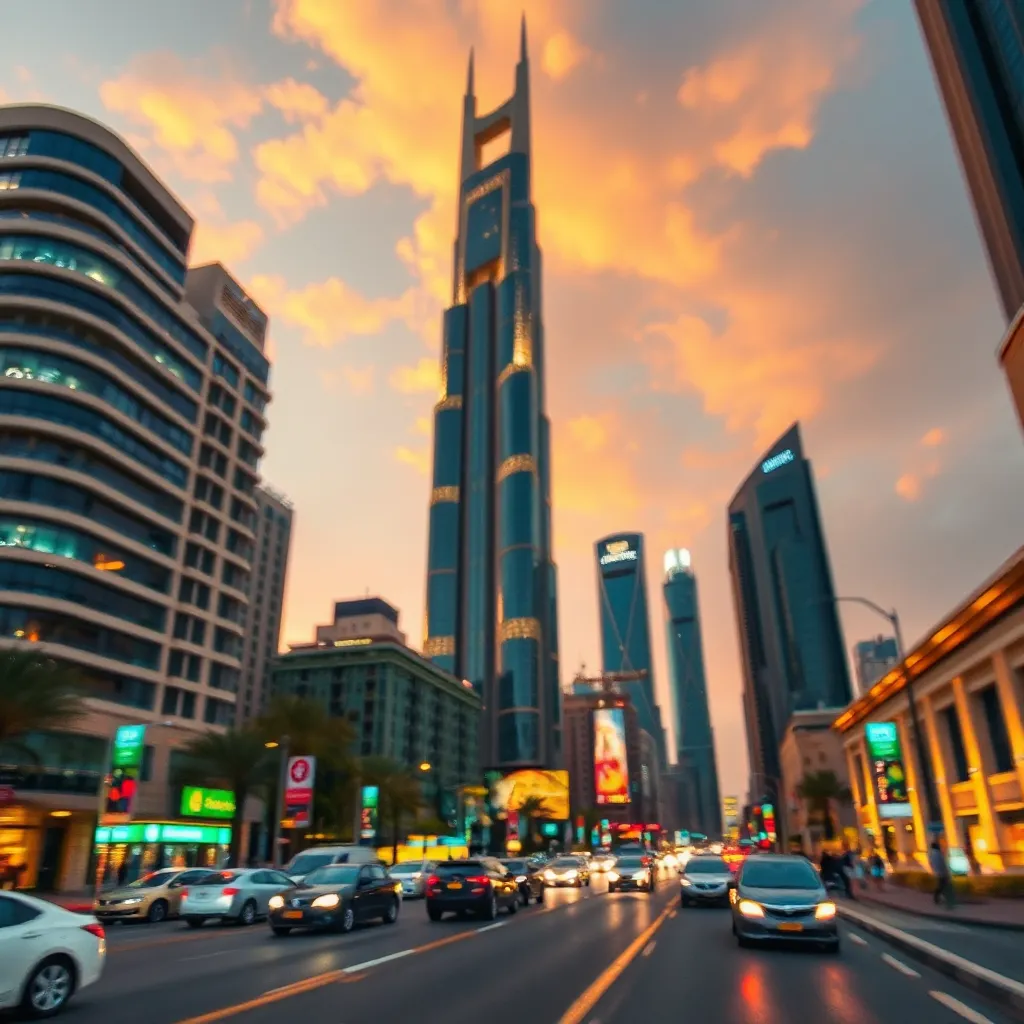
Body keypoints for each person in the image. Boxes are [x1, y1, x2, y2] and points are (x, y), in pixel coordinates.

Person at [928, 840, 951, 907]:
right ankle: (938, 898)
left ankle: (940, 897)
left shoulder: (932, 854)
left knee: (942, 885)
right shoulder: (938, 854)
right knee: (943, 885)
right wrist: (946, 872)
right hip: (942, 872)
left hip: (938, 872)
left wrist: (934, 870)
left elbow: (931, 863)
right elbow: (942, 864)